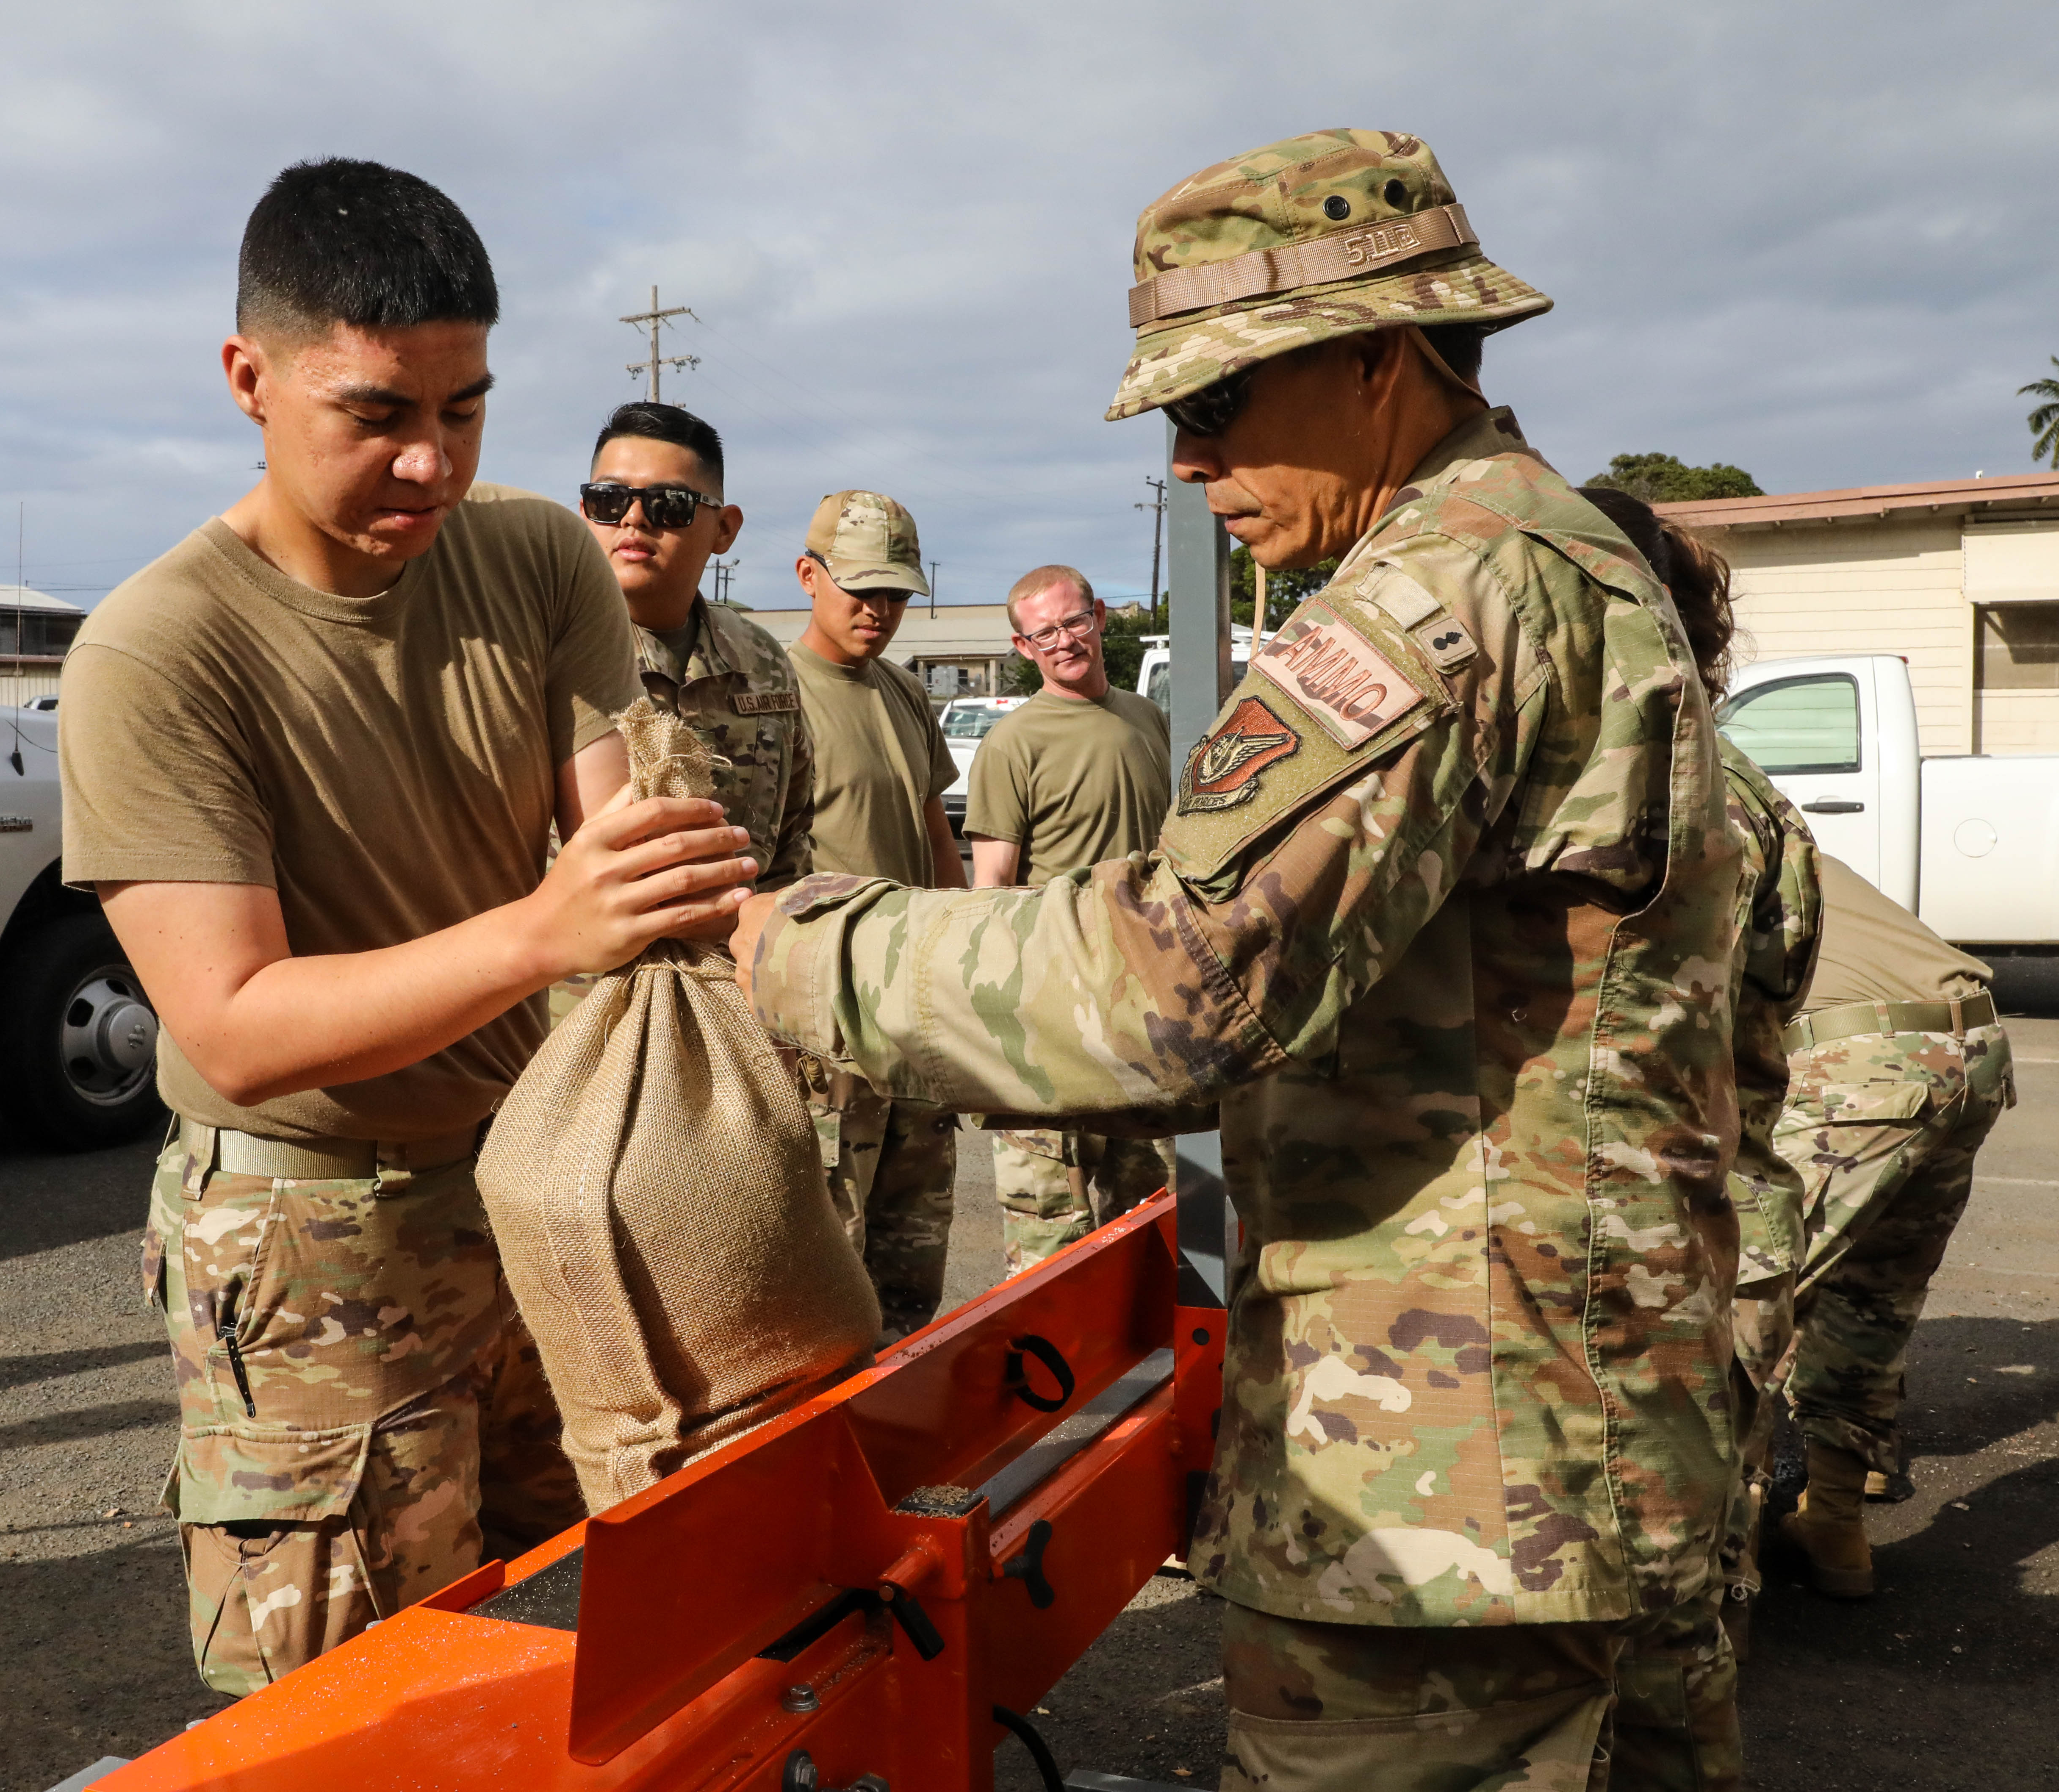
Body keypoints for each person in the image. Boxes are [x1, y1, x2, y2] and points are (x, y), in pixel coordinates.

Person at [736, 130, 1749, 1790]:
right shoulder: (1560, 561)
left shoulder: (1441, 595)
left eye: (1215, 404)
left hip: (1446, 1501)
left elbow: (1174, 982)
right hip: (1582, 1443)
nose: (1191, 459)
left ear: (1377, 359)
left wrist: (792, 947)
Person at [58, 159, 756, 1695]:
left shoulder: (534, 557)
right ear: (249, 379)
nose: (431, 465)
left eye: (465, 411)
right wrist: (543, 932)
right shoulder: (160, 652)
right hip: (310, 1234)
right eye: (377, 413)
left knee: (580, 1629)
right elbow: (232, 1021)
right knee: (352, 1703)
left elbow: (624, 840)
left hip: (527, 1183)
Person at [1582, 485, 1822, 1716]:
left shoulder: (1582, 788)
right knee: (1702, 1531)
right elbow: (1773, 1015)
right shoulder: (1761, 808)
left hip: (1617, 1237)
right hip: (1737, 1215)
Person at [1772, 854, 2014, 1598]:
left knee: (1744, 1308)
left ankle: (1719, 1583)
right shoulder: (1783, 838)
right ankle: (1834, 1533)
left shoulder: (1681, 841)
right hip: (1971, 1051)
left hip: (1860, 1062)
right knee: (1868, 1301)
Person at [788, 490, 965, 1340]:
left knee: (914, 1248)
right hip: (830, 1031)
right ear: (808, 577)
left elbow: (937, 838)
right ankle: (833, 1459)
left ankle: (900, 1454)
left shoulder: (901, 690)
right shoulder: (776, 697)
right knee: (830, 1256)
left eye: (896, 592)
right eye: (861, 589)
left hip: (916, 1018)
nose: (880, 610)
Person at [966, 563, 1175, 1270]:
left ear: (1101, 618)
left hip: (1143, 999)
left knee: (1148, 1200)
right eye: (1044, 633)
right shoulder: (1011, 744)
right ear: (1022, 648)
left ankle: (1143, 1369)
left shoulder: (1146, 718)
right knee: (1048, 1216)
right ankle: (1043, 1372)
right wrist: (992, 1014)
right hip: (1050, 1004)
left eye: (1073, 622)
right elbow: (991, 887)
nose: (1063, 641)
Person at [578, 401, 814, 899]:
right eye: (609, 499)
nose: (635, 518)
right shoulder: (545, 652)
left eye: (669, 504)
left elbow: (791, 838)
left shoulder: (762, 660)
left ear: (724, 529)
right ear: (585, 514)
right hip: (586, 971)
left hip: (732, 963)